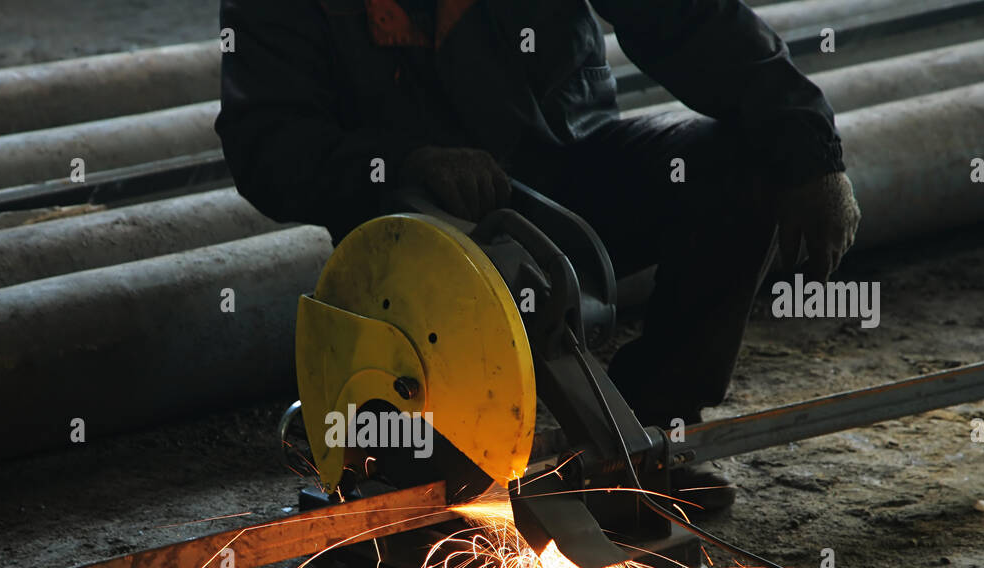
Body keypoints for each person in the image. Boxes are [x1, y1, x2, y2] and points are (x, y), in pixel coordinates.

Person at [216, 0, 862, 510]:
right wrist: (404, 162)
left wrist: (809, 146)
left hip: (565, 176)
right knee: (440, 500)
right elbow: (266, 141)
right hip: (413, 237)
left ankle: (635, 446)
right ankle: (415, 465)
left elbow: (685, 17)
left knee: (740, 171)